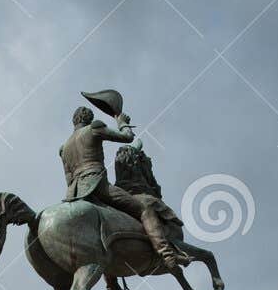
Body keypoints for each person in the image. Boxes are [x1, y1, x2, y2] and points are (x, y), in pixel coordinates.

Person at [59, 103, 187, 270]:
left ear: (74, 121)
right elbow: (127, 137)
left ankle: (113, 286)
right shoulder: (94, 128)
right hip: (97, 185)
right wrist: (122, 122)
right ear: (89, 118)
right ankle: (167, 254)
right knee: (144, 210)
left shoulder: (64, 148)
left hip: (75, 193)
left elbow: (68, 178)